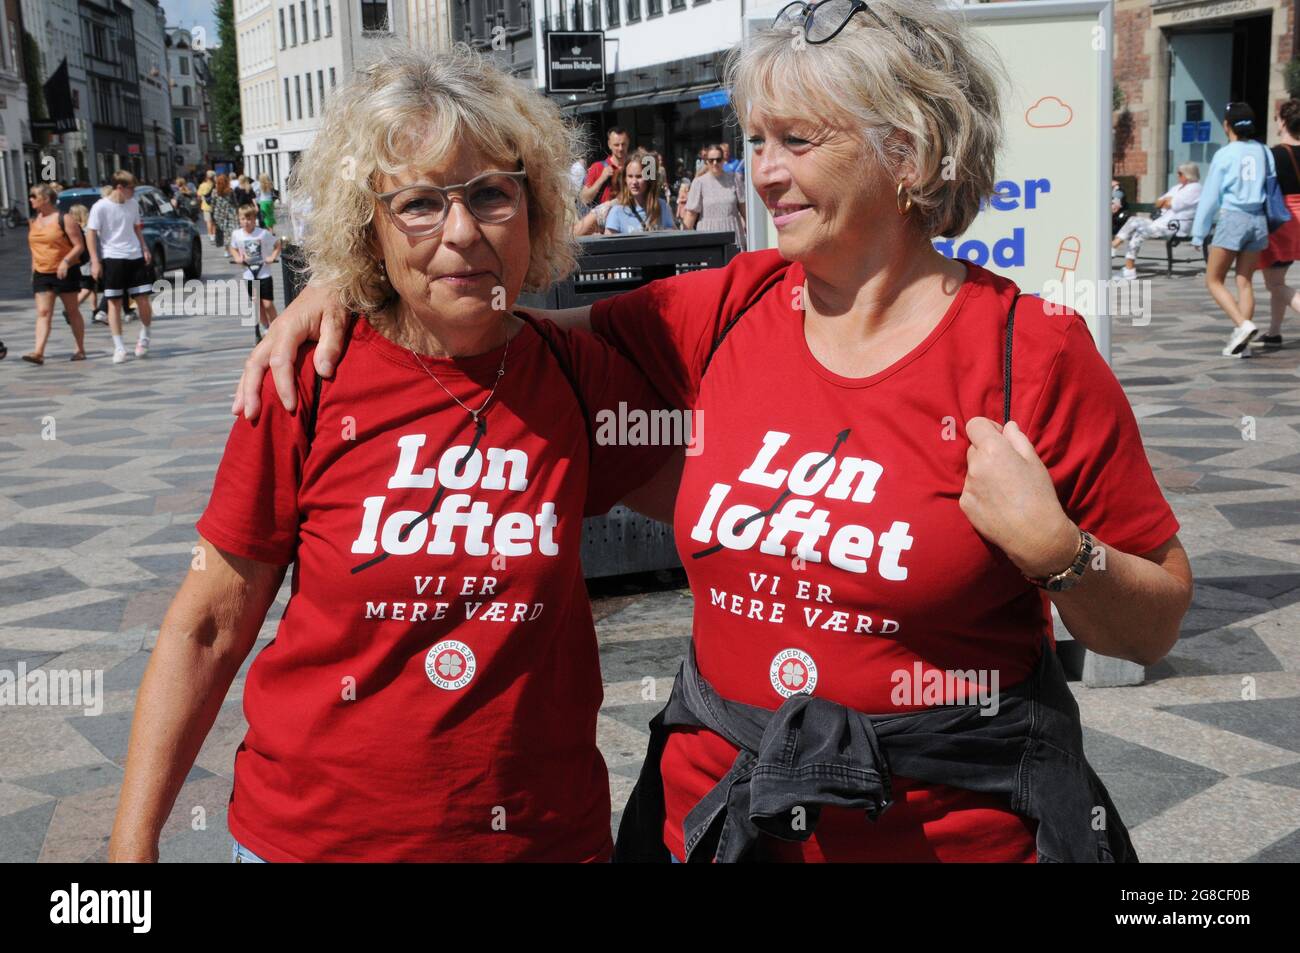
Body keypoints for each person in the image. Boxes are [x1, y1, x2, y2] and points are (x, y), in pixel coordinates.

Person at [242, 0, 1194, 864]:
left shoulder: (1030, 353)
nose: (763, 171)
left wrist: (1061, 555)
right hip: (718, 825)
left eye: (795, 140)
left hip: (947, 835)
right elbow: (489, 322)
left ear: (907, 152)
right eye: (755, 140)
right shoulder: (728, 309)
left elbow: (1153, 619)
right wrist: (351, 279)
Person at [109, 43, 672, 864]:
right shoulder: (309, 377)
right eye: (417, 204)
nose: (461, 232)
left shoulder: (572, 374)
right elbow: (206, 627)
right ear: (368, 230)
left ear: (537, 206)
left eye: (489, 194)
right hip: (313, 841)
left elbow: (731, 516)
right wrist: (132, 849)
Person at [1191, 101, 1273, 357]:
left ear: (1228, 125)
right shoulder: (1263, 151)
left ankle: (1243, 324)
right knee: (1245, 281)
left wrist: (1199, 231)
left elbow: (1210, 197)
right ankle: (1242, 344)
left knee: (1213, 279)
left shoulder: (1225, 154)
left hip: (1233, 218)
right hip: (1258, 219)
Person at [86, 171, 154, 363]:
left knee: (142, 299)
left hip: (134, 255)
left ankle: (145, 335)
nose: (134, 192)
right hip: (112, 257)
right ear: (119, 187)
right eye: (131, 188)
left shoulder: (132, 204)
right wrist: (95, 260)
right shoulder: (100, 207)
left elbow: (136, 227)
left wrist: (145, 247)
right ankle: (119, 347)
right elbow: (91, 234)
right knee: (113, 302)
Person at [24, 184, 87, 364]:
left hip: (65, 271)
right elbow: (34, 250)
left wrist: (66, 261)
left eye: (33, 196)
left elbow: (79, 245)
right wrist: (33, 271)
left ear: (45, 199)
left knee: (72, 310)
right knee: (43, 312)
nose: (30, 199)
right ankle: (38, 352)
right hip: (42, 273)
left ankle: (80, 349)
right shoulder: (33, 221)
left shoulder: (64, 218)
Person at [1258, 98, 1300, 350]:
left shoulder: (1274, 154)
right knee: (1278, 279)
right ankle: (1274, 332)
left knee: (1274, 283)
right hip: (1297, 221)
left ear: (1283, 121)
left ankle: (1274, 331)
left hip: (1282, 219)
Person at [1110, 163, 1201, 279]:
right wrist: (1167, 201)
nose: (1178, 176)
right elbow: (1158, 203)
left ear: (1188, 175)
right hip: (1162, 223)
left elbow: (1173, 204)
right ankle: (1125, 263)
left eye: (1180, 174)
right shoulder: (1177, 188)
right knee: (1134, 221)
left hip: (1175, 226)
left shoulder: (1195, 188)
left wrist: (1168, 201)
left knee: (1139, 229)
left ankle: (1120, 256)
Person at [229, 203, 281, 342]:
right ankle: (266, 328)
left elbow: (277, 244)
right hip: (249, 274)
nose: (246, 222)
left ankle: (277, 328)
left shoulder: (262, 233)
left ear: (254, 219)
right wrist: (237, 258)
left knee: (268, 304)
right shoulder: (237, 234)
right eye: (243, 219)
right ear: (239, 220)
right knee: (257, 304)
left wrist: (272, 257)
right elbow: (232, 248)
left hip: (264, 273)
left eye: (249, 219)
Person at [684, 143, 747, 250]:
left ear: (723, 160)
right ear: (706, 161)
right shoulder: (699, 182)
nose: (715, 163)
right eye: (711, 160)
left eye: (718, 159)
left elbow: (744, 209)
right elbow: (691, 214)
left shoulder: (735, 178)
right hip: (707, 237)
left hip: (733, 235)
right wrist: (684, 242)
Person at [603, 151, 676, 234]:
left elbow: (674, 239)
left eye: (639, 176)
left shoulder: (662, 206)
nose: (634, 182)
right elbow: (610, 245)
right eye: (630, 176)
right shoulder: (617, 211)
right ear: (625, 179)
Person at [66, 203, 102, 322]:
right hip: (88, 262)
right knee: (88, 287)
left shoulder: (74, 229)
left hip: (81, 262)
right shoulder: (87, 230)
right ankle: (71, 309)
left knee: (92, 288)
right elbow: (93, 247)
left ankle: (94, 310)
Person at [580, 126, 631, 207]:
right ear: (609, 145)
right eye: (616, 145)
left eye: (623, 144)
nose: (620, 148)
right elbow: (585, 199)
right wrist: (601, 178)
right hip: (605, 218)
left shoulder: (635, 167)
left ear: (628, 143)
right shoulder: (597, 167)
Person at [210, 174, 240, 258]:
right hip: (230, 213)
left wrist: (212, 215)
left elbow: (212, 204)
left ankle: (227, 250)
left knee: (224, 233)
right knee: (230, 232)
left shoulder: (214, 191)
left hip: (219, 214)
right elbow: (235, 203)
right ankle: (229, 250)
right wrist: (238, 212)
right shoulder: (230, 191)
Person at [197, 170, 216, 245]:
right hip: (215, 205)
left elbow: (198, 195)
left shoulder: (203, 185)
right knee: (214, 222)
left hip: (206, 206)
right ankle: (214, 235)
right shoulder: (215, 184)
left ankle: (211, 237)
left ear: (206, 177)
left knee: (208, 222)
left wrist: (199, 204)